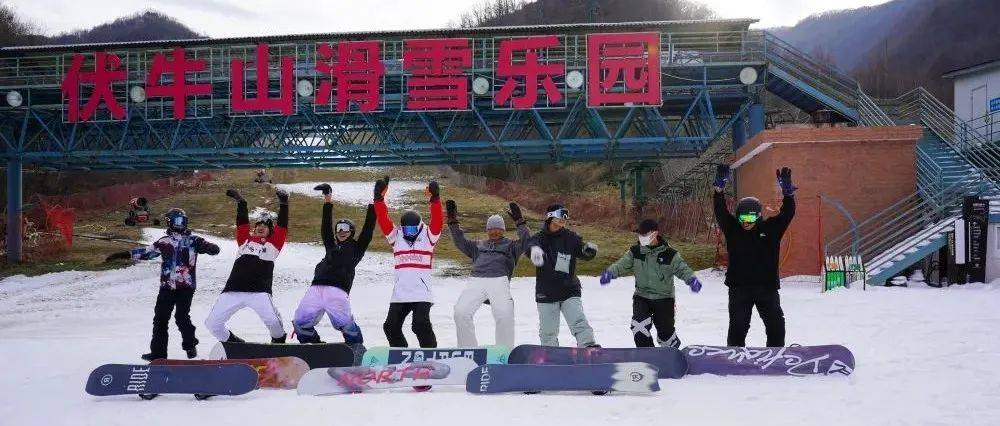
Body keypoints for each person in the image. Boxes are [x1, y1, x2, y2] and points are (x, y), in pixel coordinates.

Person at [116, 208, 221, 361]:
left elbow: (207, 246)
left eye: (183, 222)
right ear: (170, 222)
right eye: (177, 221)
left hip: (186, 286)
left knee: (181, 317)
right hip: (166, 287)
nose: (180, 225)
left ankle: (190, 344)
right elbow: (147, 252)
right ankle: (158, 353)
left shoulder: (193, 240)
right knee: (160, 319)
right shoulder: (164, 242)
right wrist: (125, 254)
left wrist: (212, 248)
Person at [712, 164, 796, 347]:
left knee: (776, 324)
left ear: (758, 217)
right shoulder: (733, 229)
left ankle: (774, 354)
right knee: (738, 326)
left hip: (766, 288)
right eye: (742, 219)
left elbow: (787, 213)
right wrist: (719, 190)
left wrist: (788, 195)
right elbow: (721, 211)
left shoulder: (772, 229)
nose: (746, 223)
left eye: (750, 219)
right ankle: (734, 355)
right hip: (739, 289)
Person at [292, 183, 375, 346]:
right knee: (300, 321)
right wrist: (327, 199)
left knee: (346, 325)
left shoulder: (357, 247)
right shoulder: (331, 245)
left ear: (351, 231)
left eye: (345, 228)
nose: (341, 231)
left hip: (337, 292)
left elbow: (369, 227)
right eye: (339, 228)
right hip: (315, 289)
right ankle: (313, 347)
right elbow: (325, 228)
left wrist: (375, 201)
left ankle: (356, 349)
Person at [599, 219, 702, 348]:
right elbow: (621, 265)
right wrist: (610, 273)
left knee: (666, 336)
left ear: (655, 233)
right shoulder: (635, 252)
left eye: (645, 234)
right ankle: (648, 355)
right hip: (642, 296)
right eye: (640, 234)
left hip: (664, 298)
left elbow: (683, 269)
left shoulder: (670, 254)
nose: (642, 237)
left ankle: (671, 352)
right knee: (639, 327)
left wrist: (692, 280)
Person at [205, 188, 290, 344]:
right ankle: (235, 344)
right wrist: (242, 203)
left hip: (259, 292)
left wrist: (284, 204)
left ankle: (278, 345)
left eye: (265, 225)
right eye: (258, 225)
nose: (261, 227)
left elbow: (282, 227)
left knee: (274, 323)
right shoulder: (245, 241)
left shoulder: (273, 245)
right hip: (233, 290)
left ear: (270, 231)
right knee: (212, 324)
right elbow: (242, 223)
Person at [447, 200, 531, 347]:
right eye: (491, 228)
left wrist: (520, 222)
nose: (495, 231)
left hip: (499, 281)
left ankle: (503, 351)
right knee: (461, 312)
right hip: (476, 281)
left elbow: (526, 242)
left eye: (498, 228)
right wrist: (453, 222)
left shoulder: (511, 246)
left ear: (503, 230)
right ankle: (469, 349)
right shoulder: (478, 245)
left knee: (504, 314)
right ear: (487, 230)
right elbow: (460, 241)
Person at [373, 176, 443, 348]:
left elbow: (437, 221)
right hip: (400, 293)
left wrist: (435, 199)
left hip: (421, 293)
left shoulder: (428, 236)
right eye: (406, 229)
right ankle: (400, 354)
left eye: (412, 229)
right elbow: (383, 219)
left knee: (419, 325)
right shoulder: (397, 236)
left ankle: (430, 354)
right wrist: (378, 199)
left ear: (419, 226)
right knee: (390, 327)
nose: (409, 233)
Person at [526, 204, 599, 347]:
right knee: (548, 331)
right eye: (559, 220)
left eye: (564, 221)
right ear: (550, 218)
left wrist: (588, 251)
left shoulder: (570, 237)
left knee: (578, 321)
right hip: (546, 292)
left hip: (569, 289)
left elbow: (581, 250)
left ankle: (588, 347)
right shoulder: (539, 238)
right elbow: (530, 245)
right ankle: (550, 353)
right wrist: (533, 251)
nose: (561, 224)